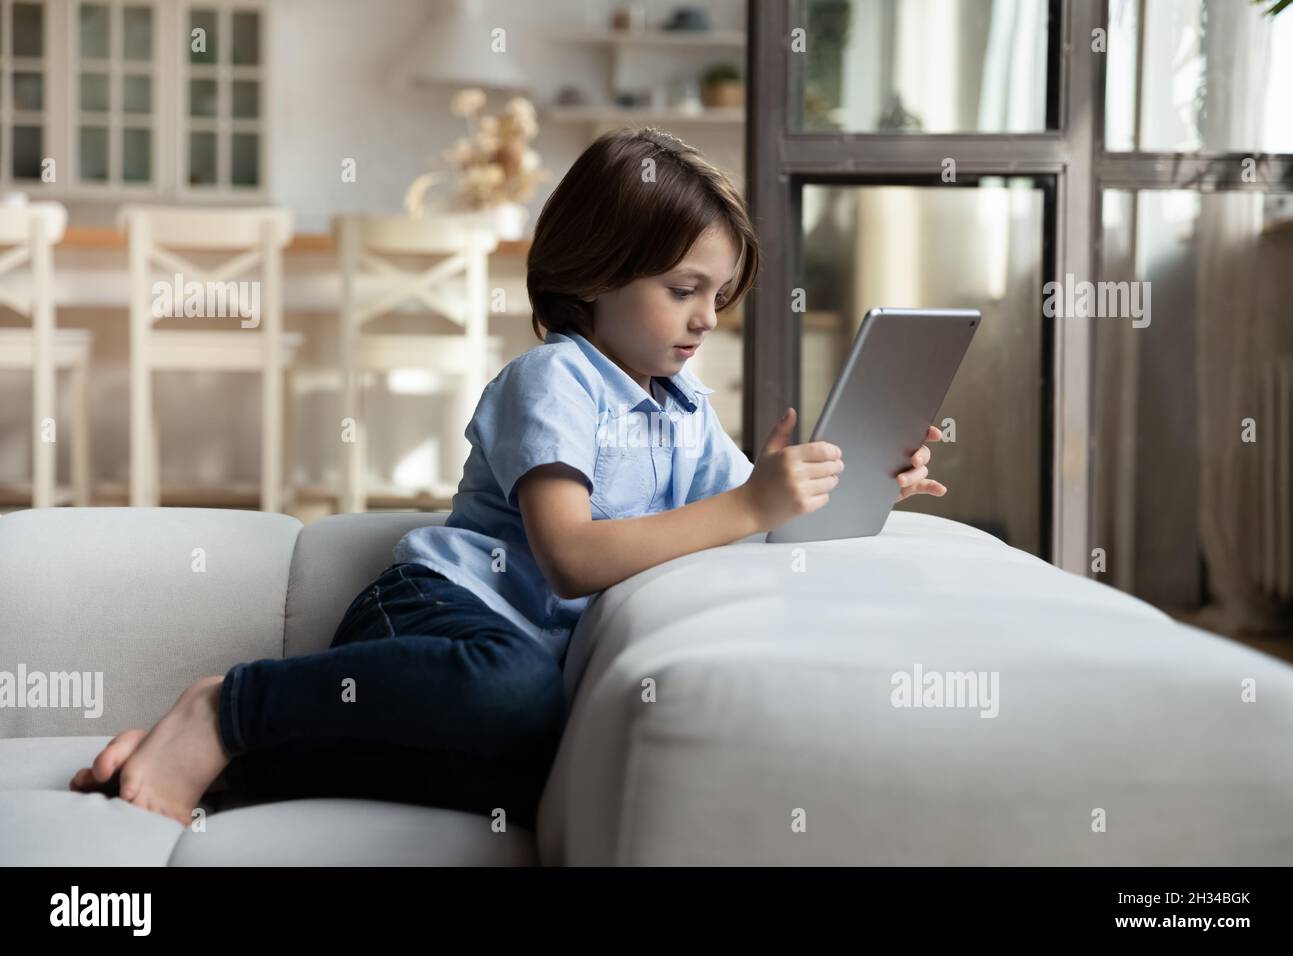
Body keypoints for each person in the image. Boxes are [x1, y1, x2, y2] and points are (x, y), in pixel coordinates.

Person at [69, 128, 946, 831]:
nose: (706, 319)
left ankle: (215, 764)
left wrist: (848, 475)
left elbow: (740, 519)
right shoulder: (555, 379)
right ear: (598, 274)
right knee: (522, 692)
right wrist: (751, 499)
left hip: (513, 671)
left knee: (534, 766)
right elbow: (568, 556)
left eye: (719, 296)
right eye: (685, 289)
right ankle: (234, 703)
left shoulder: (683, 407)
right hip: (437, 616)